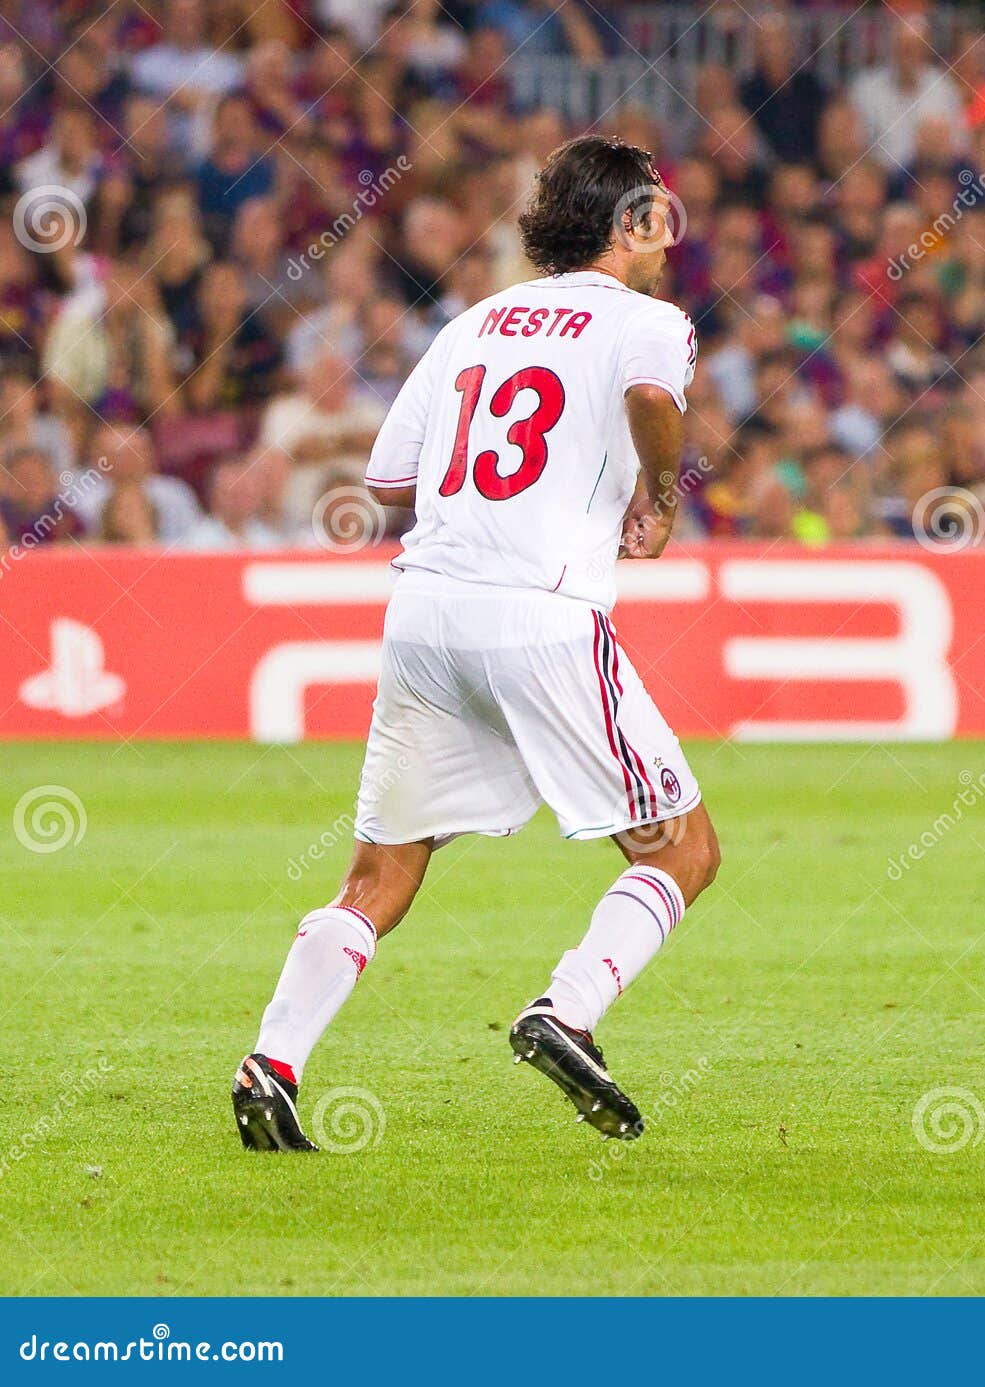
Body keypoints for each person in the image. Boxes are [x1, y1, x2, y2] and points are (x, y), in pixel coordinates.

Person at [232, 136, 720, 1152]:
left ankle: (273, 1062)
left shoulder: (474, 323)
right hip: (537, 612)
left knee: (380, 869)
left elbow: (388, 479)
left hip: (426, 610)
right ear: (626, 225)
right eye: (654, 213)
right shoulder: (647, 323)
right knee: (683, 846)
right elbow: (647, 400)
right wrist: (657, 488)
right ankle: (568, 1009)